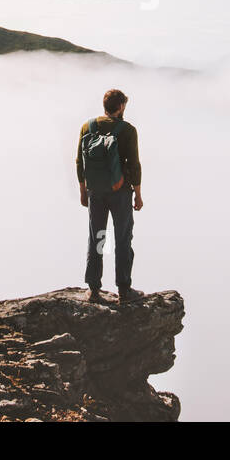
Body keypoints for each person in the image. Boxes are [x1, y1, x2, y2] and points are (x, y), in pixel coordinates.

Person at [77, 88, 144, 304]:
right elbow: (134, 165)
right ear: (121, 106)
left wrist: (83, 191)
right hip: (120, 193)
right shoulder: (127, 130)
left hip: (95, 191)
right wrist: (138, 194)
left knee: (97, 237)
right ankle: (124, 289)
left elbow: (79, 161)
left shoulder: (88, 126)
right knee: (123, 238)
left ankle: (93, 289)